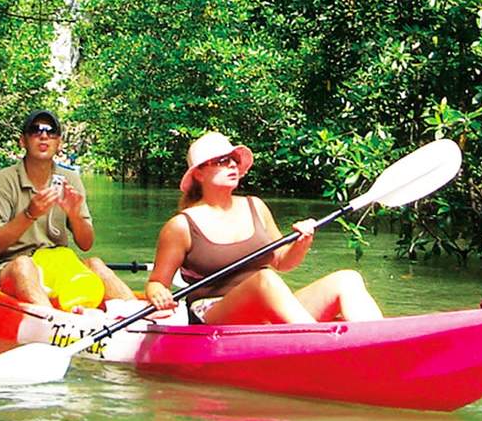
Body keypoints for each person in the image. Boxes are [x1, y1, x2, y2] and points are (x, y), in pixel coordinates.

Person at [143, 131, 384, 324]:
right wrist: (157, 293)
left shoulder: (255, 206)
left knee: (347, 279)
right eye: (221, 161)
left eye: (233, 160)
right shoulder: (181, 226)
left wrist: (302, 243)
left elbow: (282, 261)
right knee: (264, 279)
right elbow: (157, 282)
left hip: (266, 302)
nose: (232, 166)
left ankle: (378, 342)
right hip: (213, 313)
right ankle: (318, 342)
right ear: (199, 174)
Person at [0, 110, 135, 306]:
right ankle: (52, 322)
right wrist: (30, 214)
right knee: (24, 265)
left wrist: (75, 215)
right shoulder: (2, 181)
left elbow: (86, 243)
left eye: (51, 131)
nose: (44, 135)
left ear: (59, 143)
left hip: (56, 261)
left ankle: (141, 317)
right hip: (9, 264)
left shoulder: (69, 180)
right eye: (35, 130)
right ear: (23, 141)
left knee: (95, 264)